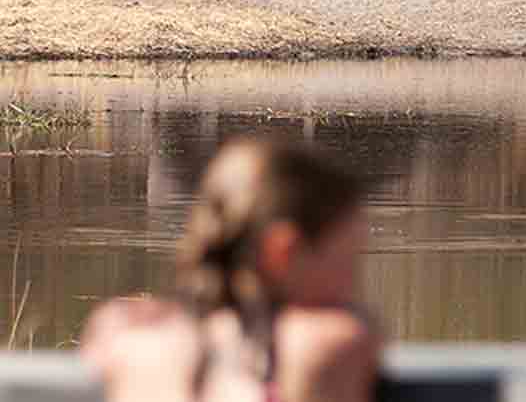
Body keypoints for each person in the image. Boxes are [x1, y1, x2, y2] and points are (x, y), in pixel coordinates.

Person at [82, 138, 379, 402]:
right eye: (349, 261)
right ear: (282, 251)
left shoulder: (128, 332)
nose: (353, 284)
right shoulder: (323, 342)